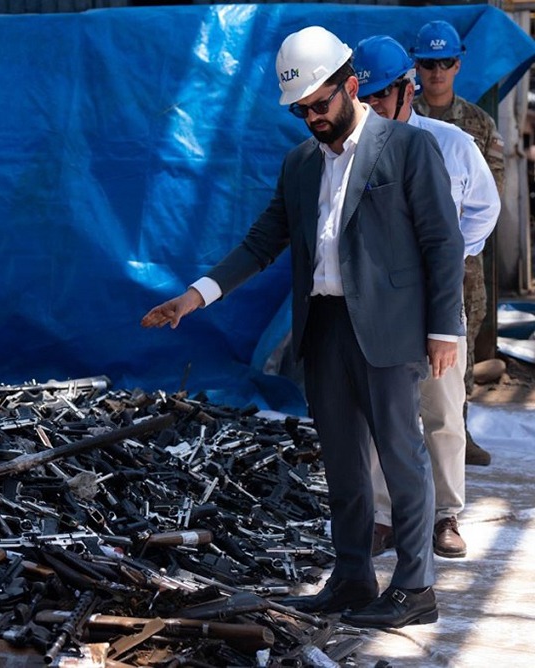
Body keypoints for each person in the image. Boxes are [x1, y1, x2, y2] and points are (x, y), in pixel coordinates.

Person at [141, 26, 465, 629]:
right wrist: (195, 296)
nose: (312, 117)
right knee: (341, 462)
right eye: (301, 110)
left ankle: (416, 588)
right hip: (323, 328)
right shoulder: (299, 166)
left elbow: (443, 243)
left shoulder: (406, 149)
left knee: (402, 457)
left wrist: (445, 329)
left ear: (350, 87)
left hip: (389, 331)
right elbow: (262, 243)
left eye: (321, 103)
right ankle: (349, 578)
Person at [353, 36, 500, 561]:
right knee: (381, 413)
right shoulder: (354, 150)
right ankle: (384, 515)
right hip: (379, 302)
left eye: (377, 98)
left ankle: (445, 515)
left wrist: (455, 256)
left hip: (437, 298)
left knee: (441, 408)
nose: (369, 109)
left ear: (405, 90)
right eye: (361, 99)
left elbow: (485, 207)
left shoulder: (453, 143)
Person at [411, 19, 506, 467]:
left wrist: (457, 250)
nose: (436, 72)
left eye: (444, 62)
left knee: (459, 349)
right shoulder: (400, 116)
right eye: (428, 64)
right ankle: (409, 440)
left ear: (458, 64)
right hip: (405, 260)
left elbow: (492, 194)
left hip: (462, 262)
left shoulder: (478, 124)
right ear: (416, 67)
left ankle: (457, 432)